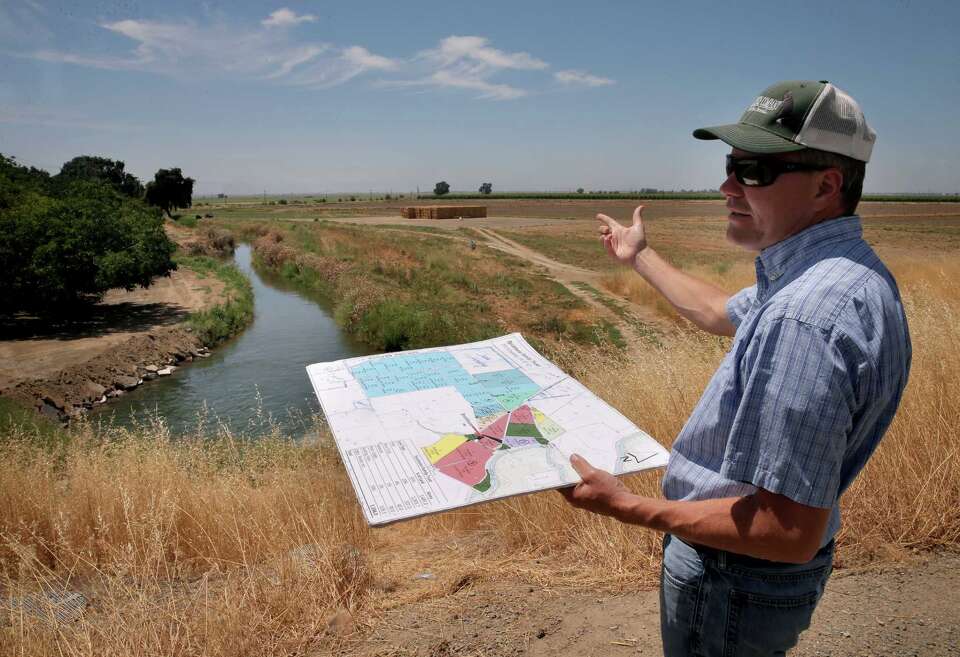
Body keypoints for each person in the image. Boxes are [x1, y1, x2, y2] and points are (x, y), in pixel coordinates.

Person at [559, 80, 912, 656]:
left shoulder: (804, 314)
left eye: (755, 172)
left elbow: (786, 531)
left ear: (827, 185)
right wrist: (638, 255)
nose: (727, 187)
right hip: (754, 578)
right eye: (731, 165)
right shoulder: (842, 273)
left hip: (734, 576)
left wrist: (627, 507)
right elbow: (717, 310)